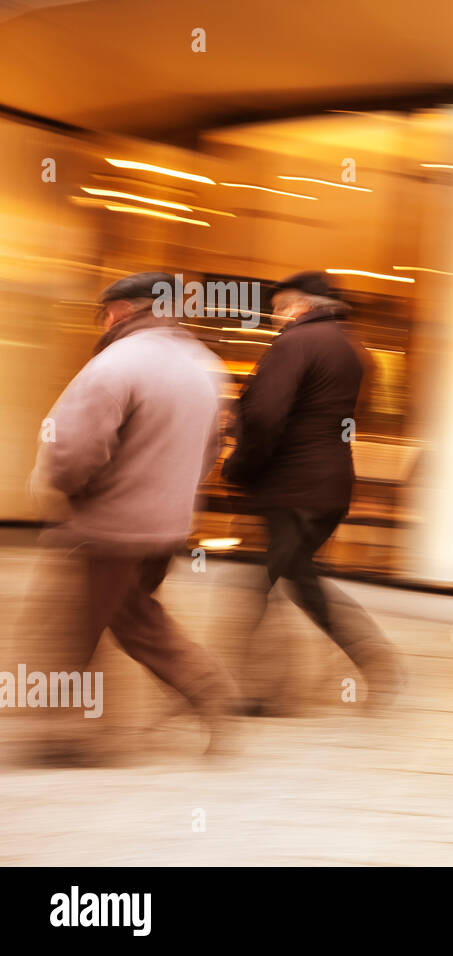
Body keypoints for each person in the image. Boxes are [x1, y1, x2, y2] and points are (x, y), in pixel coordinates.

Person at [27, 272, 238, 758]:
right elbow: (211, 449)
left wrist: (60, 488)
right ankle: (204, 696)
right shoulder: (205, 366)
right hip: (165, 528)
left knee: (73, 627)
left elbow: (72, 449)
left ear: (120, 311)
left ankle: (64, 732)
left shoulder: (116, 363)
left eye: (104, 313)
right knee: (133, 619)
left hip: (108, 526)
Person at [223, 271, 402, 714]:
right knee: (298, 579)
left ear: (300, 305)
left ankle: (262, 692)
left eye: (281, 307)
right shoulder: (355, 349)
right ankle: (361, 664)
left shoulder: (295, 344)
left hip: (291, 487)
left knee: (263, 584)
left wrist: (239, 467)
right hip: (330, 485)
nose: (276, 317)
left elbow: (265, 415)